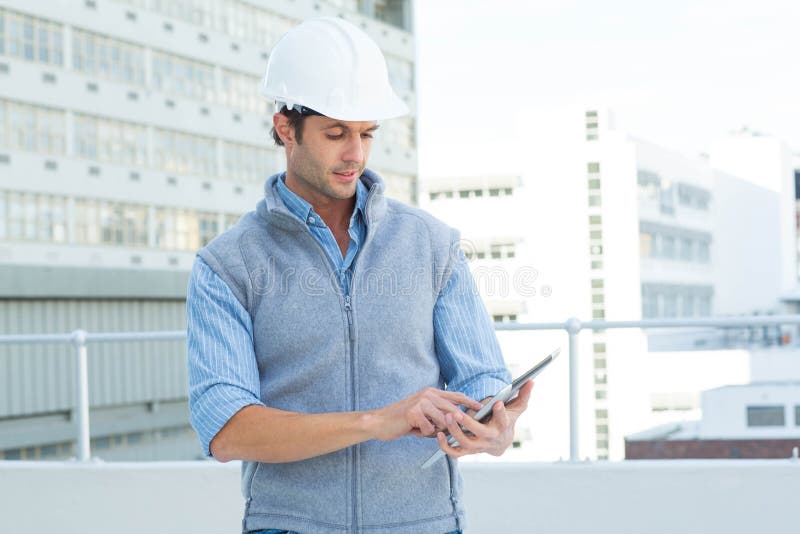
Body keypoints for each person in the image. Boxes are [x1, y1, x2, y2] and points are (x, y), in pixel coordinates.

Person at [186, 16, 533, 534]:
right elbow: (226, 429)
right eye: (335, 134)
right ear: (285, 129)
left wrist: (493, 425)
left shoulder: (433, 244)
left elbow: (481, 378)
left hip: (423, 524)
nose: (356, 154)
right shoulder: (227, 265)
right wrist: (376, 422)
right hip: (289, 525)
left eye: (367, 133)